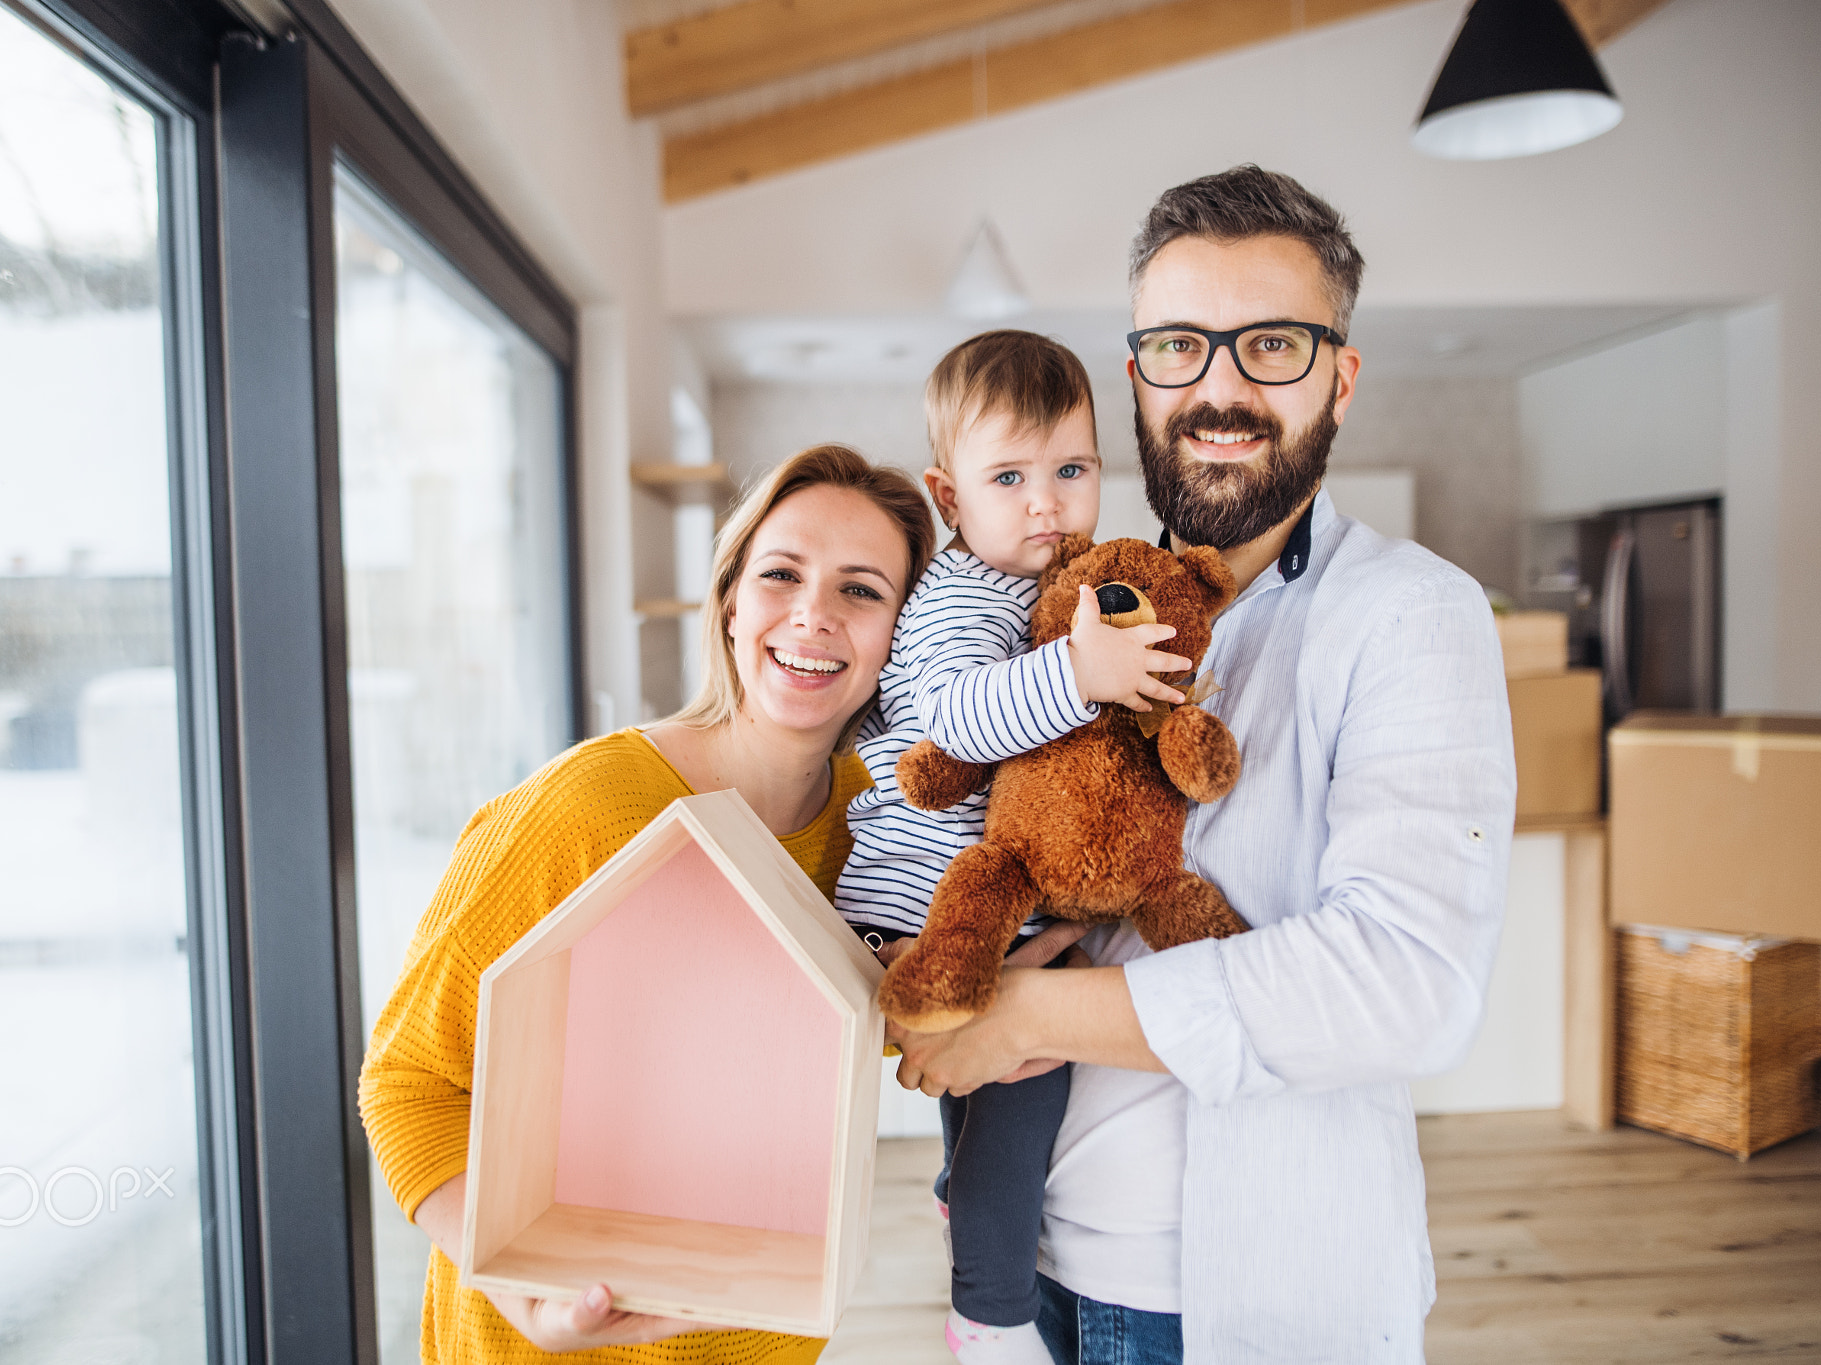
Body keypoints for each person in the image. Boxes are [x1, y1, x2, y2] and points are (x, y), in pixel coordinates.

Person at [891, 166, 1518, 1364]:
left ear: (1339, 376)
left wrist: (1015, 1007)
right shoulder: (1052, 601)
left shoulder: (1411, 615)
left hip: (1230, 1294)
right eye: (1180, 345)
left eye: (1269, 344)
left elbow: (1405, 981)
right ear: (1135, 376)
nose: (1218, 388)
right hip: (1030, 1266)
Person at [358, 443, 936, 1364]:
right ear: (730, 602)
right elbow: (407, 1085)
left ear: (907, 633)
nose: (813, 614)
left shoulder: (889, 832)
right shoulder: (583, 807)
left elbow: (890, 1016)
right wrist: (528, 1293)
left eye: (862, 590)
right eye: (780, 574)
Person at [834, 331, 1193, 1365]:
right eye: (1009, 477)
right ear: (950, 498)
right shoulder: (956, 598)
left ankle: (965, 1204)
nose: (1046, 503)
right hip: (935, 907)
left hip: (995, 898)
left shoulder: (1052, 587)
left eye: (1070, 471)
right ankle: (985, 1318)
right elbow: (957, 720)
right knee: (1021, 1093)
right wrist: (1081, 673)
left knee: (995, 1116)